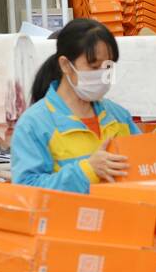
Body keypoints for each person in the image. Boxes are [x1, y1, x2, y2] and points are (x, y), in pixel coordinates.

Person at [11, 18, 140, 192]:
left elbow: (143, 166)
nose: (103, 74)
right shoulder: (34, 124)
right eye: (94, 66)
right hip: (66, 219)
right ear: (65, 65)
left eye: (108, 66)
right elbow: (27, 190)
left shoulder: (119, 116)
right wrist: (87, 171)